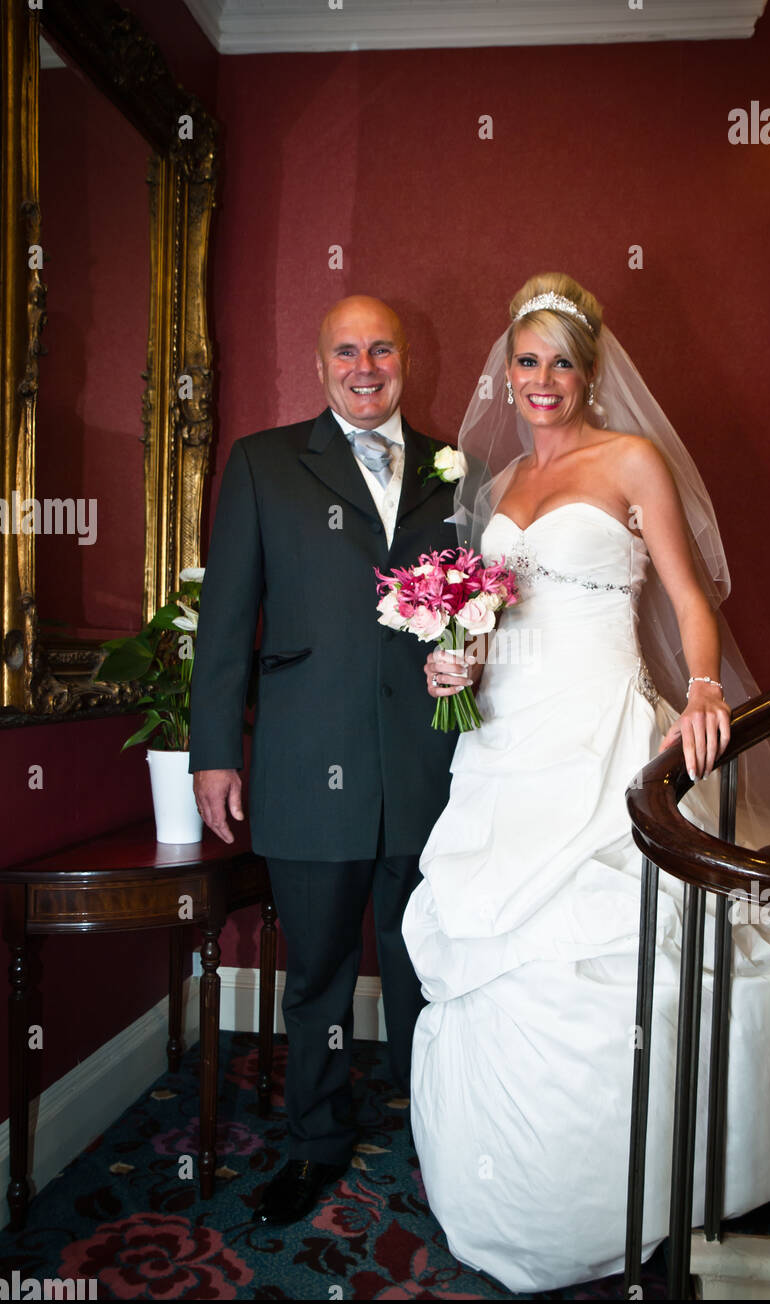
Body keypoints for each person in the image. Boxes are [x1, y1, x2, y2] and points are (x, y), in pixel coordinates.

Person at [401, 272, 770, 1294]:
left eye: (559, 362)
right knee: (492, 953)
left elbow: (685, 590)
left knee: (618, 952)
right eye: (524, 360)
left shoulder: (630, 459)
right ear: (509, 368)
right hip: (502, 746)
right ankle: (500, 1193)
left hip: (600, 732)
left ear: (587, 371)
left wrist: (703, 684)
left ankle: (619, 1190)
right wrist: (452, 664)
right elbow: (483, 626)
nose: (540, 380)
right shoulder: (490, 494)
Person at [189, 295, 459, 1226]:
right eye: (345, 350)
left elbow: (488, 610)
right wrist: (215, 754)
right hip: (309, 763)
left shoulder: (456, 471)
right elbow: (226, 620)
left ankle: (445, 1143)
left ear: (405, 358)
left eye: (382, 346)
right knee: (317, 975)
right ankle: (316, 1142)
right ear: (320, 365)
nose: (365, 365)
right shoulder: (265, 464)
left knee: (432, 967)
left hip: (434, 769)